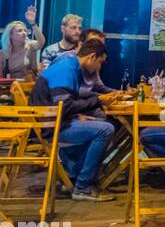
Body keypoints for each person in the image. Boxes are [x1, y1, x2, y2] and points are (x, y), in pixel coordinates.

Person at [30, 38, 116, 202]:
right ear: (91, 57)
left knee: (101, 124)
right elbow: (64, 105)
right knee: (106, 130)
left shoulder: (70, 66)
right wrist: (98, 101)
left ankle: (72, 176)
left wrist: (79, 115)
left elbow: (62, 105)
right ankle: (82, 186)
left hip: (55, 122)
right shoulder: (66, 70)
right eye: (100, 63)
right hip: (51, 128)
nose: (99, 67)